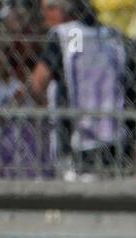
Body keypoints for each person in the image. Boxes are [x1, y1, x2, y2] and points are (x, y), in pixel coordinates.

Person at [30, 0, 128, 180]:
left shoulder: (70, 35)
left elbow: (38, 82)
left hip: (74, 138)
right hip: (112, 136)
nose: (44, 16)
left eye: (49, 9)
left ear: (62, 10)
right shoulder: (110, 36)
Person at [0, 8, 50, 178]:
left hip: (34, 155)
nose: (20, 43)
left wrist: (30, 87)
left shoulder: (40, 74)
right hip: (2, 154)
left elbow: (47, 111)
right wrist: (10, 105)